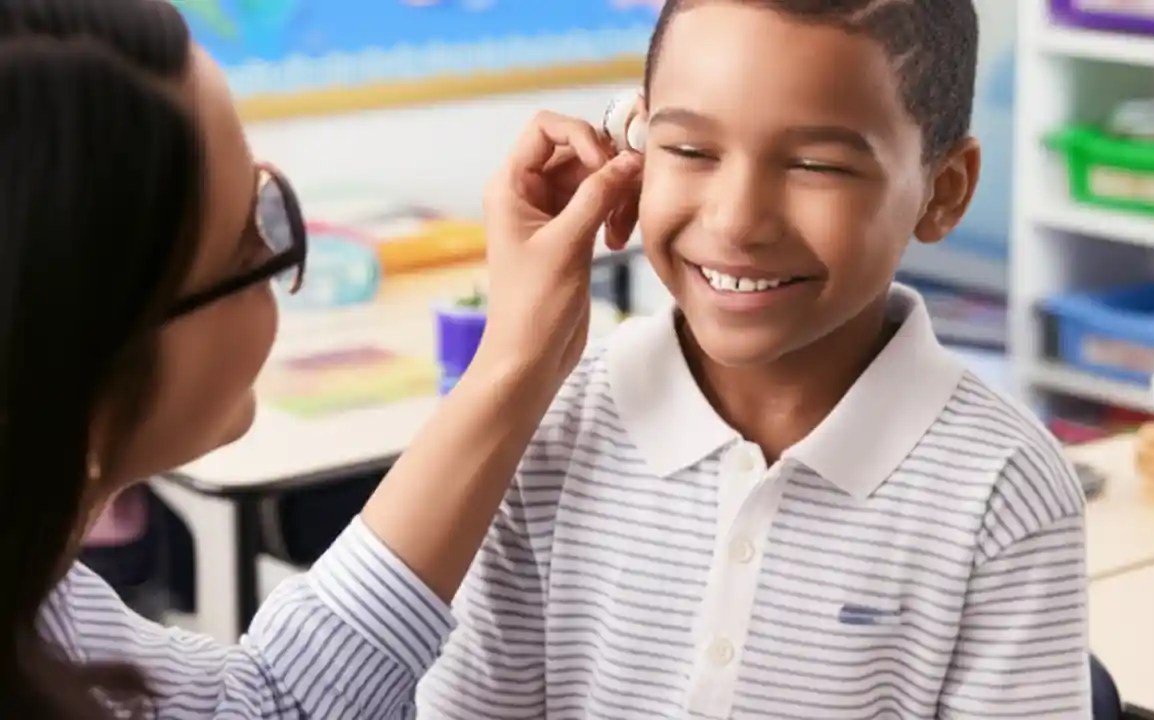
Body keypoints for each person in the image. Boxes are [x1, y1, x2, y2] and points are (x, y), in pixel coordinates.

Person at [419, 1, 1089, 718]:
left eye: (815, 165)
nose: (737, 220)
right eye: (690, 151)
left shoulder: (1005, 489)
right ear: (633, 151)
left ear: (943, 190)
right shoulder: (548, 427)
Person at [0, 0, 642, 717]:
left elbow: (269, 702)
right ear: (89, 391)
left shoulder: (43, 603)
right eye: (254, 236)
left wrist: (513, 361)